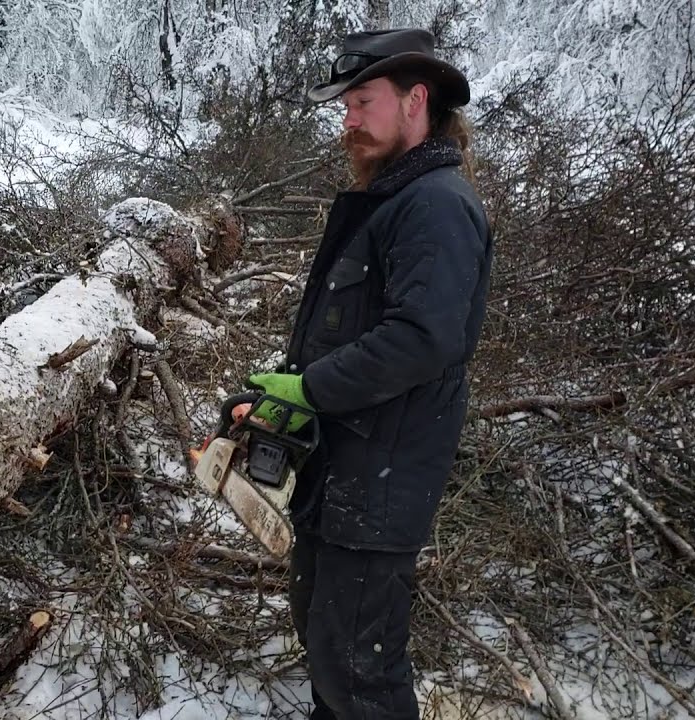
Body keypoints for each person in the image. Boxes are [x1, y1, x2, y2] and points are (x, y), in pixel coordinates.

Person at [242, 28, 494, 719]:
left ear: (416, 101)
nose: (347, 120)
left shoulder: (435, 205)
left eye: (361, 102)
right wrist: (297, 395)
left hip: (380, 482)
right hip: (347, 471)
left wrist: (312, 389)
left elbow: (421, 338)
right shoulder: (391, 200)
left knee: (362, 674)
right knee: (329, 647)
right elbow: (354, 328)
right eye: (344, 106)